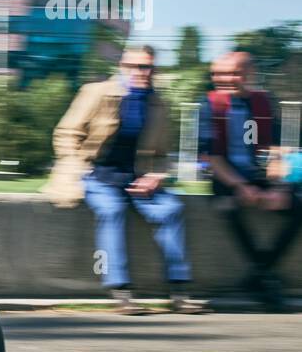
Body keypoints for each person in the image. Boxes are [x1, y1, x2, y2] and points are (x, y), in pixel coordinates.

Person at [46, 45, 203, 314]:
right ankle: (121, 292)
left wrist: (156, 175)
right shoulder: (96, 92)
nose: (143, 72)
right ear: (122, 66)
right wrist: (76, 167)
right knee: (111, 210)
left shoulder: (157, 104)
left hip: (137, 179)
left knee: (171, 209)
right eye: (137, 67)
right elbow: (66, 133)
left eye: (149, 67)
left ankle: (179, 291)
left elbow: (163, 154)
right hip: (98, 174)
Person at [199, 51, 301, 310]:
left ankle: (259, 273)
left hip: (258, 174)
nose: (224, 79)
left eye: (233, 73)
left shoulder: (264, 102)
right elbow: (211, 157)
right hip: (227, 176)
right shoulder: (209, 104)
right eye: (219, 74)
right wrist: (240, 186)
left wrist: (280, 187)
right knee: (228, 207)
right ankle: (266, 280)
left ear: (250, 75)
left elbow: (277, 149)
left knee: (297, 206)